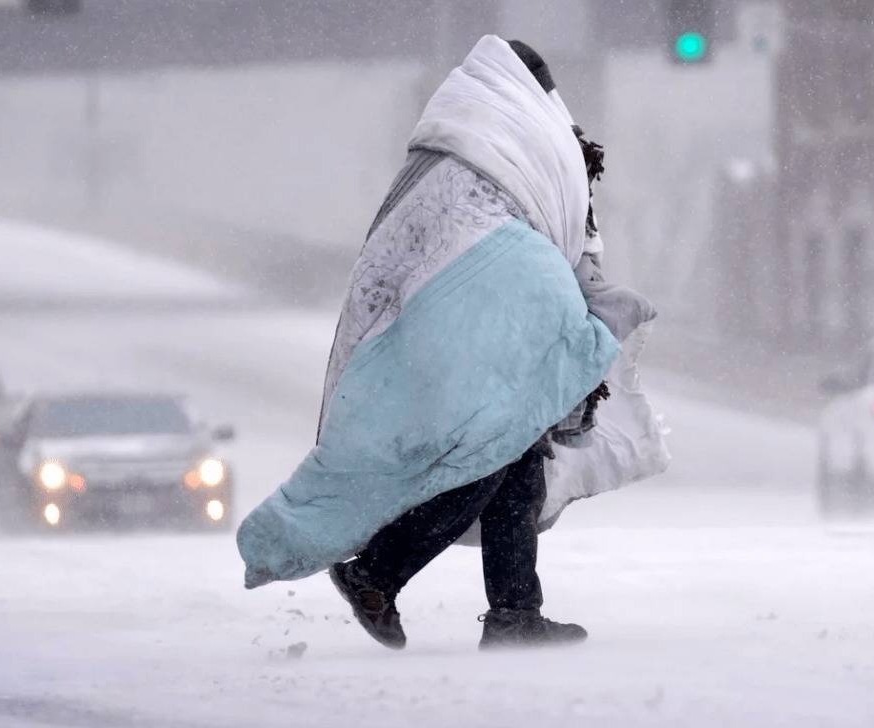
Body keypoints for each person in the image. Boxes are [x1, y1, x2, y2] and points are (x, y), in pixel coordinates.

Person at [236, 36, 657, 650]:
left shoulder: (450, 149)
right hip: (482, 326)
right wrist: (581, 316)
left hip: (445, 324)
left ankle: (515, 612)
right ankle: (377, 572)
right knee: (488, 455)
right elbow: (554, 241)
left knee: (513, 460)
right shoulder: (532, 145)